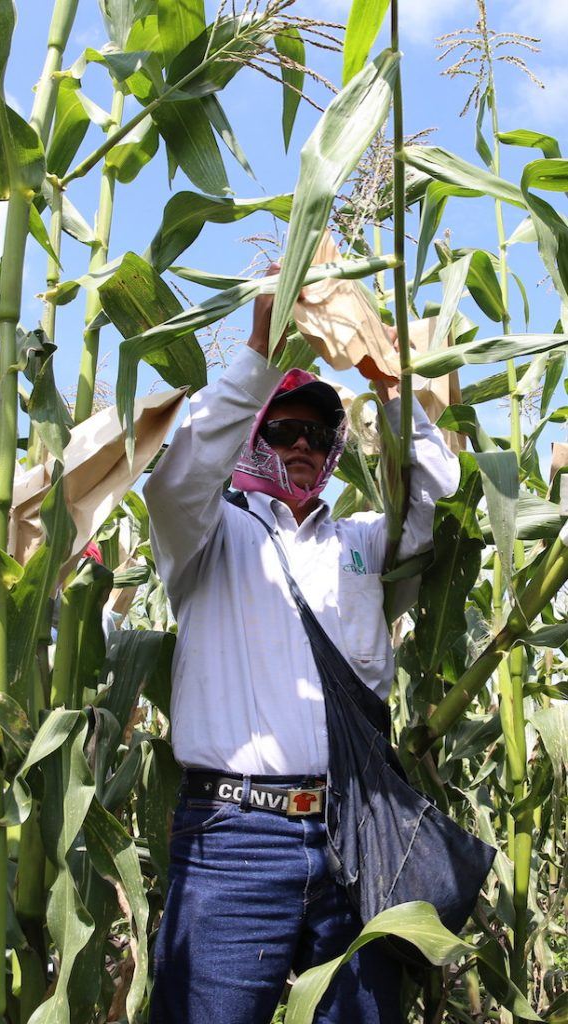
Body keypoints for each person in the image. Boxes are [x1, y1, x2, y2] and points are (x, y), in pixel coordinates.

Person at [143, 272, 461, 1024]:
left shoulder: (357, 542)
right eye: (282, 429)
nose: (302, 446)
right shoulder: (209, 535)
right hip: (233, 840)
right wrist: (258, 349)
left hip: (355, 832)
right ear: (254, 436)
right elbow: (174, 480)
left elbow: (432, 495)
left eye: (318, 436)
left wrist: (385, 376)